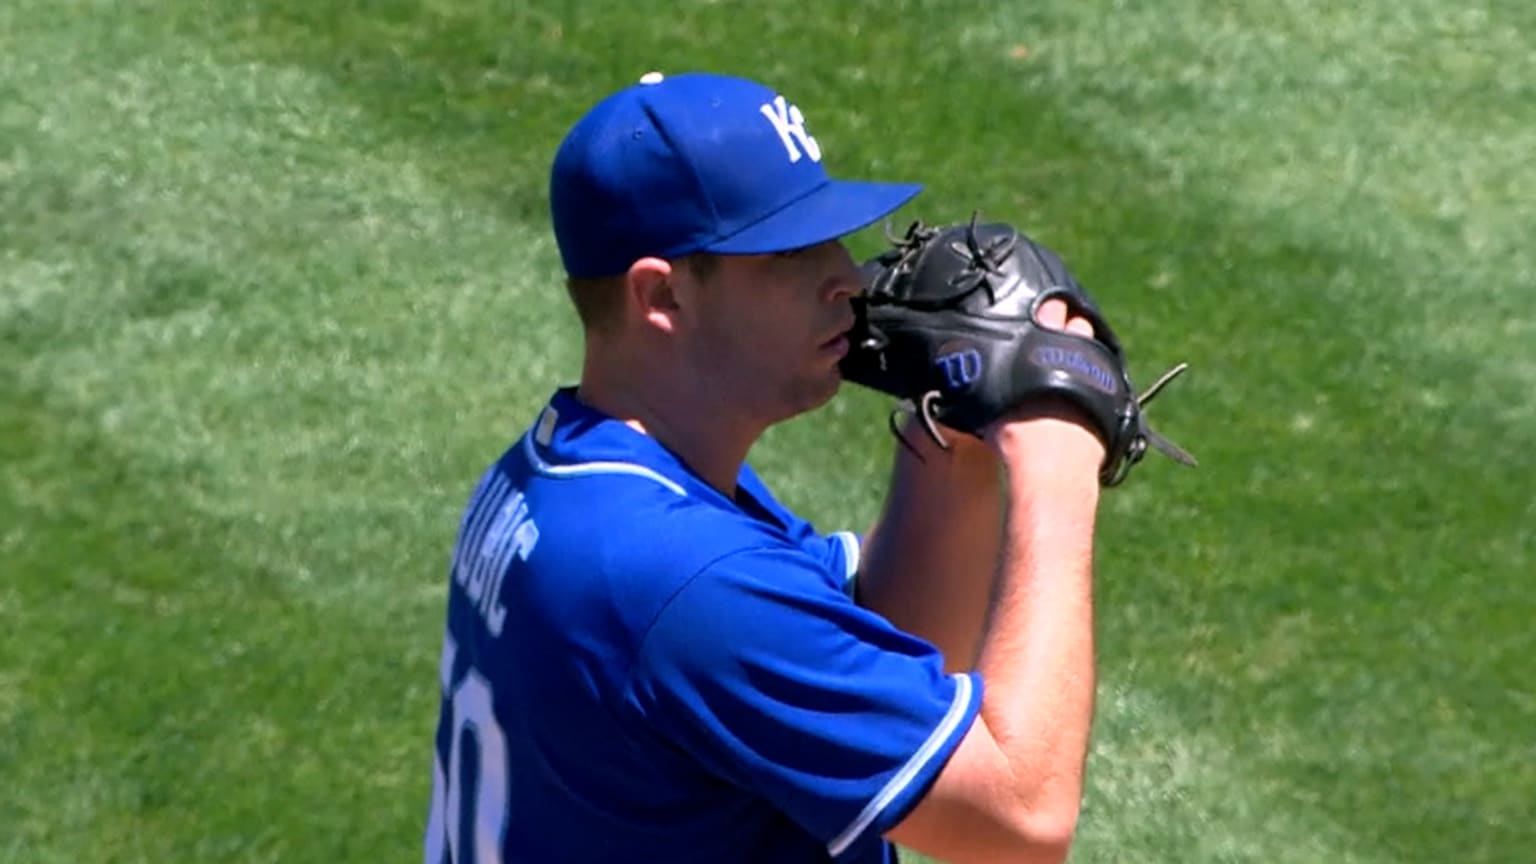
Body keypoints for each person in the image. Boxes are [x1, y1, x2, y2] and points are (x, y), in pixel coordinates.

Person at [423, 70, 1105, 864]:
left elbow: (866, 645)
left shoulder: (587, 473)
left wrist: (949, 444)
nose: (848, 277)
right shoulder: (680, 580)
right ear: (663, 297)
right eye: (790, 251)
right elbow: (1020, 821)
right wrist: (1056, 468)